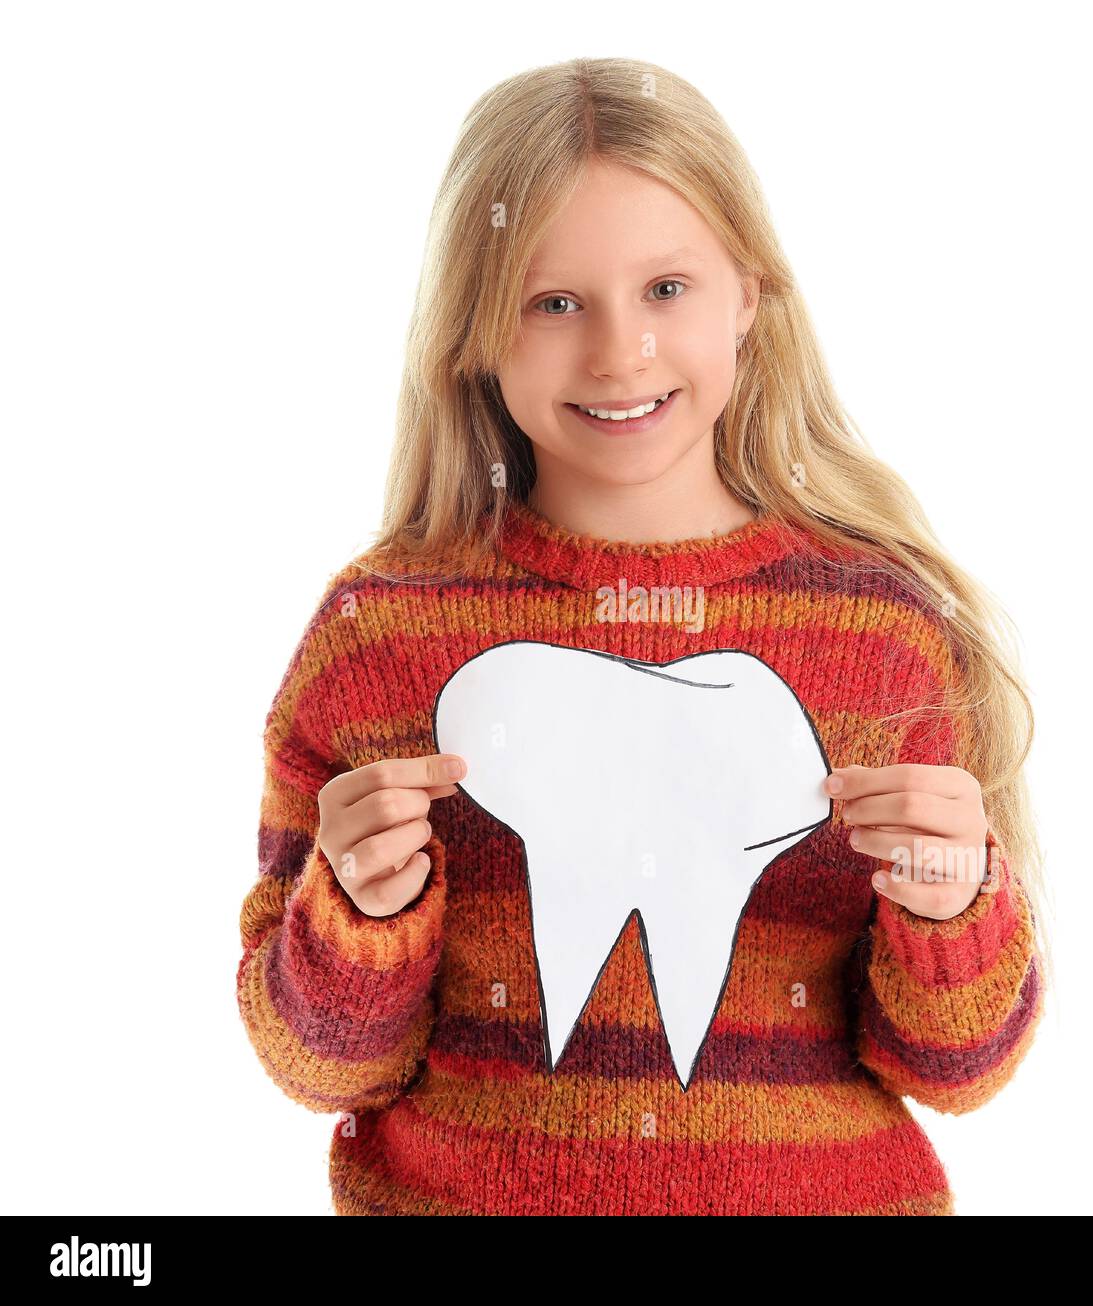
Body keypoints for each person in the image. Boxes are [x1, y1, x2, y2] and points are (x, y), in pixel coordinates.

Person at [236, 56, 1049, 1216]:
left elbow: (958, 1071)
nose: (620, 352)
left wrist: (948, 906)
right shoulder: (378, 634)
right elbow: (313, 1063)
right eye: (553, 301)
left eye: (666, 289)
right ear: (473, 332)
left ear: (749, 298)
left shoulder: (881, 631)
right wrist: (353, 922)